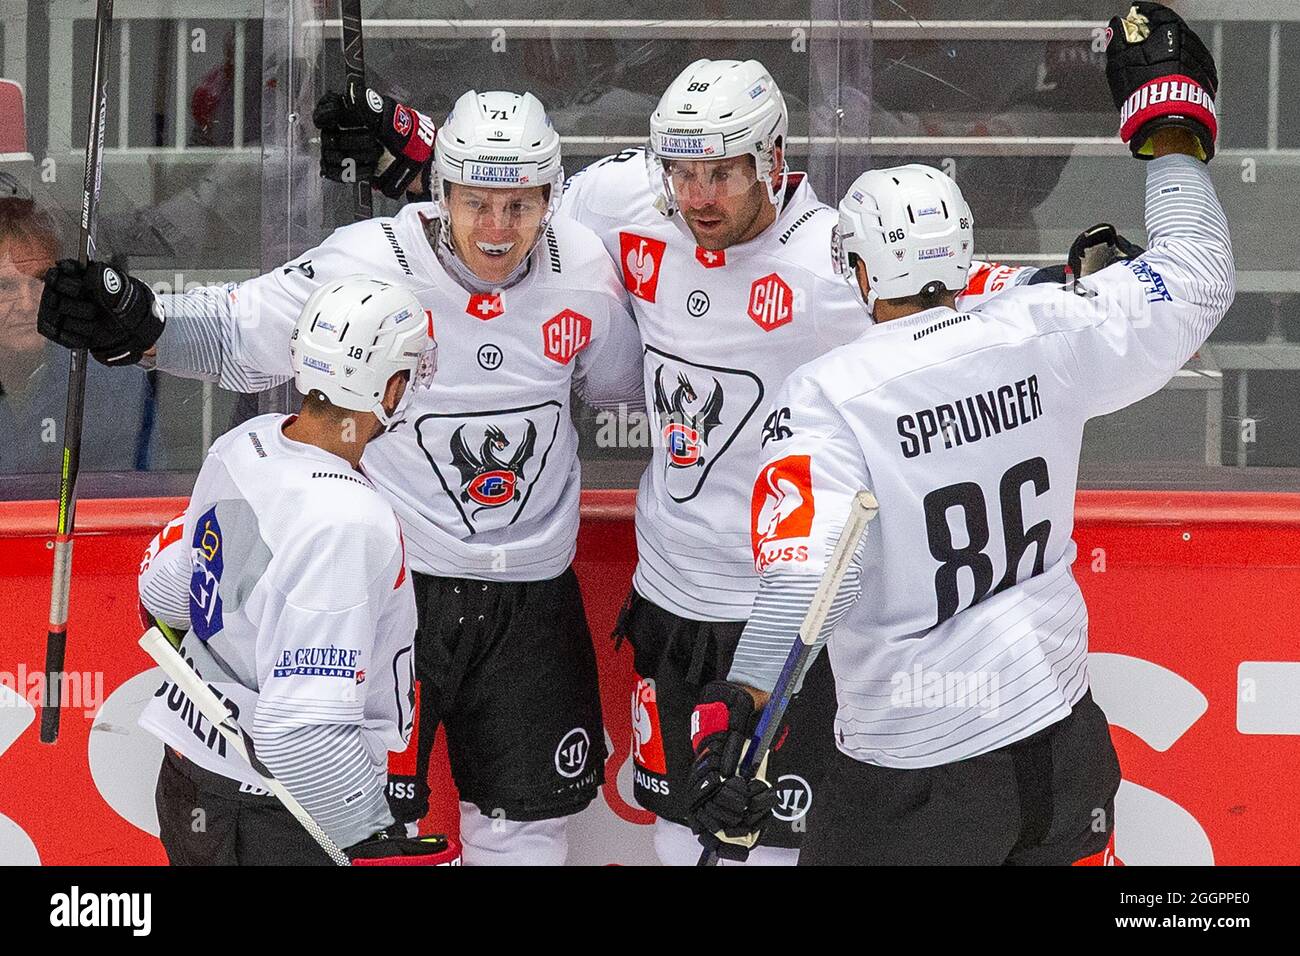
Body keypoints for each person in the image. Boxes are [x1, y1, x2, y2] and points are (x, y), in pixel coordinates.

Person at [38, 89, 644, 866]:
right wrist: (134, 326)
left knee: (528, 826)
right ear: (441, 189)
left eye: (520, 206)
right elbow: (235, 333)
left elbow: (631, 382)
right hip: (401, 590)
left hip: (532, 596)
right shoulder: (368, 258)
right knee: (356, 828)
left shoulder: (585, 270)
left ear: (551, 199)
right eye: (477, 202)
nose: (498, 230)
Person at [687, 1, 1231, 865]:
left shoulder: (826, 397)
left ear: (862, 270)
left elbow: (806, 589)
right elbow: (1197, 278)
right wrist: (1167, 126)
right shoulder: (1045, 327)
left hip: (915, 771)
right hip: (1060, 742)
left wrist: (739, 729)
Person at [136, 275, 458, 865]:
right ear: (388, 388)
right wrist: (367, 830)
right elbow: (300, 738)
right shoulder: (348, 522)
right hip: (275, 816)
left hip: (189, 784)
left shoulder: (245, 443)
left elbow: (165, 589)